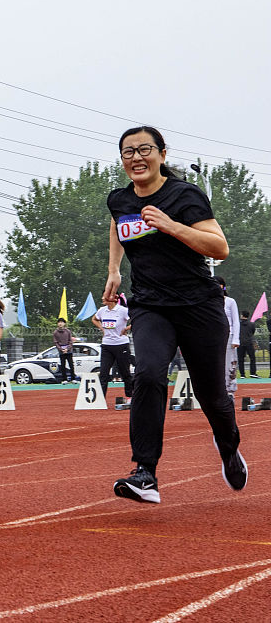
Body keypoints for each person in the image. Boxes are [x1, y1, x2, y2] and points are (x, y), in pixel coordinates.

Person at [105, 126, 244, 504]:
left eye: (144, 149)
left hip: (199, 306)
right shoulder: (119, 199)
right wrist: (114, 269)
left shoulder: (185, 195)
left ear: (162, 154)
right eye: (128, 152)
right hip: (150, 305)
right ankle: (145, 472)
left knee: (212, 396)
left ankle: (229, 446)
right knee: (148, 374)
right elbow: (118, 225)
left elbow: (219, 248)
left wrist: (171, 225)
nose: (136, 158)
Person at [92, 292, 132, 401]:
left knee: (125, 372)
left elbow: (137, 318)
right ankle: (100, 399)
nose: (102, 298)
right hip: (107, 345)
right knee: (103, 373)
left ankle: (130, 396)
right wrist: (102, 328)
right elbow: (94, 319)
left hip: (121, 345)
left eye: (105, 296)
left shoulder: (123, 310)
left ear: (114, 298)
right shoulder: (102, 310)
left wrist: (126, 329)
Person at [217, 277, 240, 397]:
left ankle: (230, 390)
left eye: (219, 285)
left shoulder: (230, 301)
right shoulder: (207, 302)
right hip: (213, 337)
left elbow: (236, 321)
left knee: (229, 364)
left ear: (223, 287)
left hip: (228, 336)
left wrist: (236, 339)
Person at [52, 318, 78, 383]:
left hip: (69, 351)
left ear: (64, 323)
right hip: (61, 351)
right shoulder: (55, 332)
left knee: (71, 365)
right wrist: (61, 349)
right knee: (63, 365)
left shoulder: (68, 331)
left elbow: (70, 341)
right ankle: (64, 379)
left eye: (62, 322)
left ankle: (73, 378)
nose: (60, 324)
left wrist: (67, 348)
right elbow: (56, 342)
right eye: (59, 322)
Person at [237, 310, 258, 378]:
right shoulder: (252, 324)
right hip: (249, 342)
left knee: (241, 359)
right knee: (252, 358)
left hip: (240, 342)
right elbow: (252, 332)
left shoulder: (238, 324)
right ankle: (253, 373)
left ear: (242, 315)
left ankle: (242, 374)